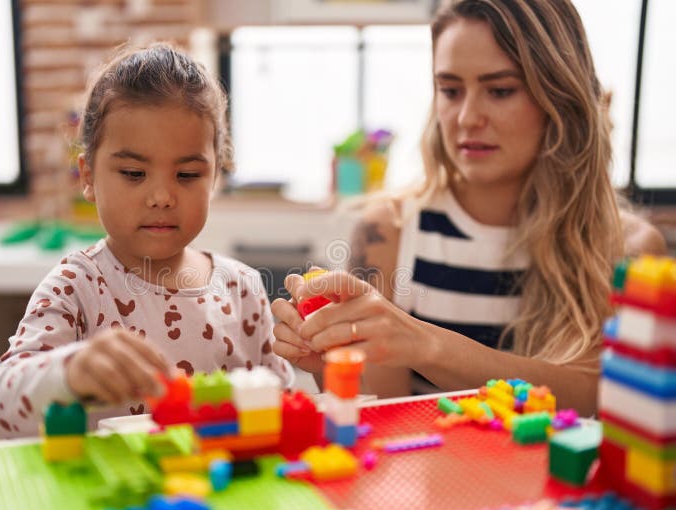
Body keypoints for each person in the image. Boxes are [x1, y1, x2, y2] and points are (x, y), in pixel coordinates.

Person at [271, 0, 666, 415]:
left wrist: (428, 345)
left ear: (559, 96)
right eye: (450, 90)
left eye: (500, 90)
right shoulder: (389, 230)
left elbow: (597, 399)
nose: (467, 117)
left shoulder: (628, 247)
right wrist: (333, 362)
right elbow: (384, 418)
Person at [0, 43, 293, 438]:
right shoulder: (78, 286)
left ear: (214, 177)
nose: (161, 196)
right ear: (88, 176)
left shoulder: (242, 287)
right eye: (133, 173)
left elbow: (280, 407)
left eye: (187, 175)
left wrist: (320, 367)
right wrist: (69, 372)